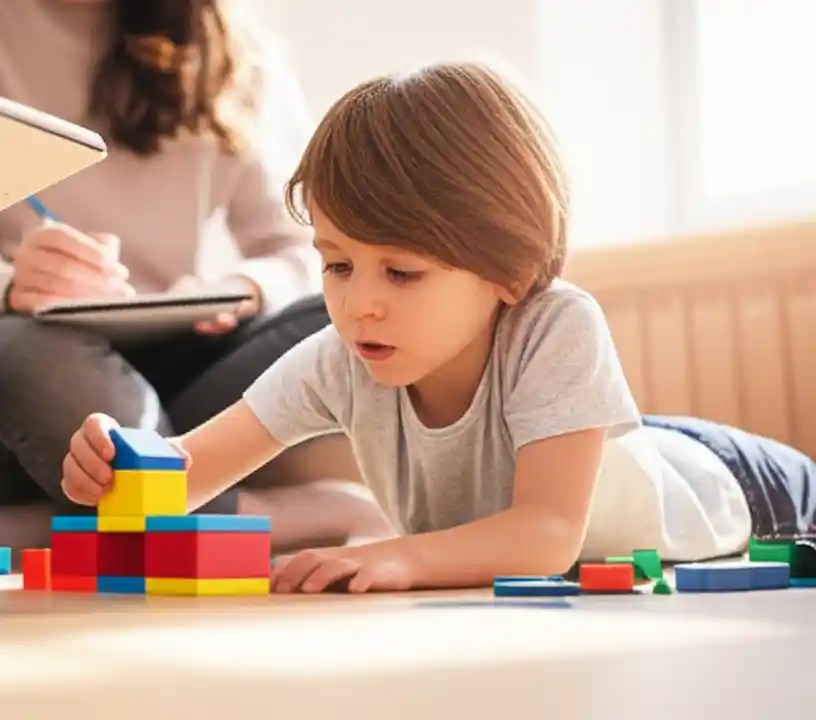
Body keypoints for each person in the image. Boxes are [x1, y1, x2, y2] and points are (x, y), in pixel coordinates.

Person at [59, 60, 816, 593]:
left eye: (402, 272)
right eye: (337, 265)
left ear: (509, 270)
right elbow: (185, 468)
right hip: (610, 454)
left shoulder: (556, 325)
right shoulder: (339, 357)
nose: (360, 304)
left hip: (742, 490)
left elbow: (549, 531)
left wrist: (402, 557)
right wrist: (121, 466)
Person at [0, 0, 389, 549]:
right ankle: (294, 516)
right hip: (40, 344)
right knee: (32, 356)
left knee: (338, 321)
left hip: (192, 352)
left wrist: (242, 290)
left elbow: (302, 247)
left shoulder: (234, 46)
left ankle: (48, 524)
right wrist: (9, 284)